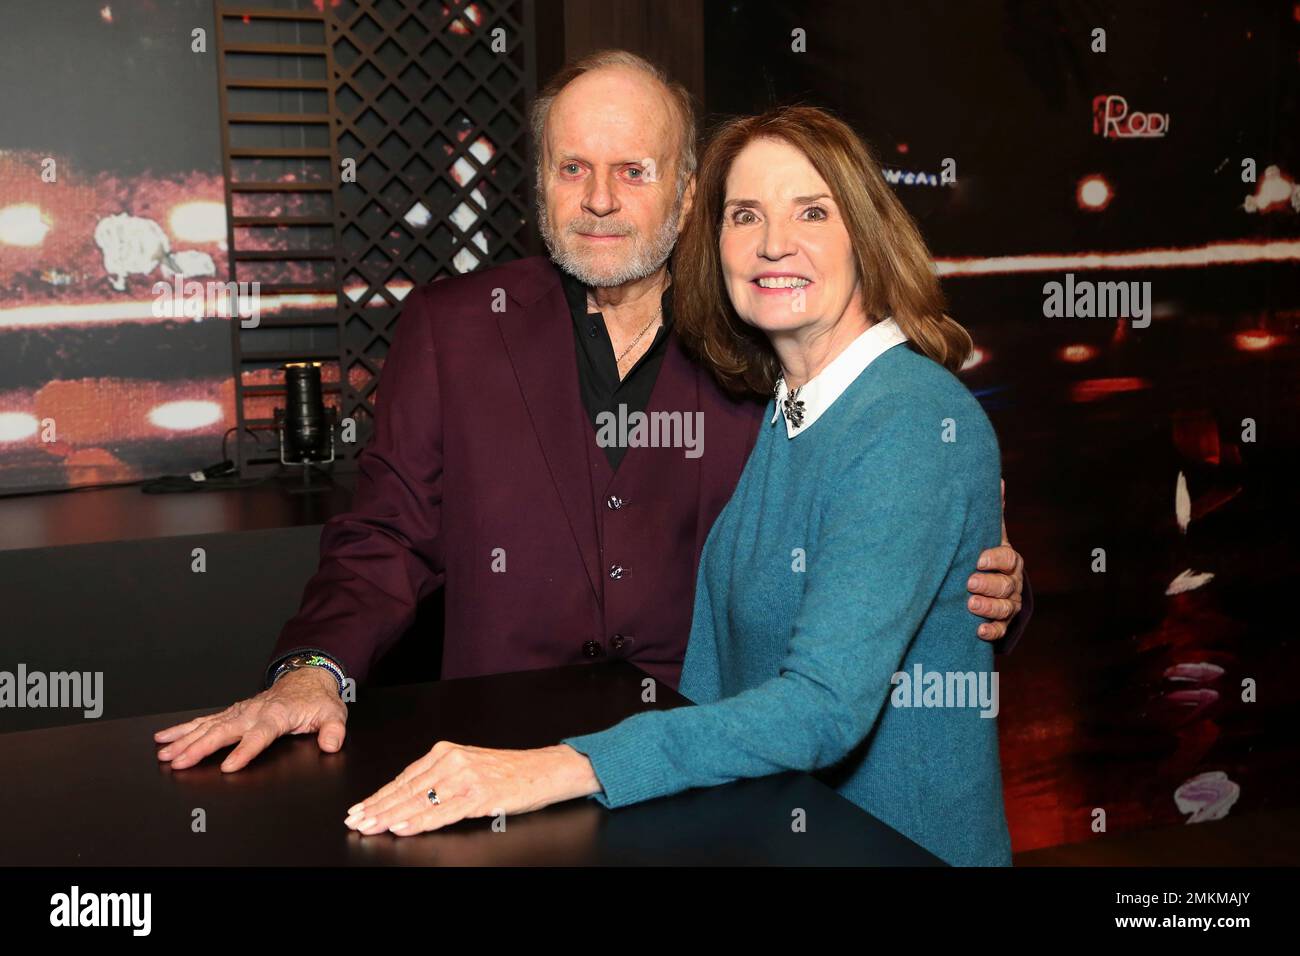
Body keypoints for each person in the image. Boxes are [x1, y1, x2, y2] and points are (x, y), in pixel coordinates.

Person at [153, 51, 1028, 779]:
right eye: (573, 168)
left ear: (687, 193)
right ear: (540, 182)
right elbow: (384, 535)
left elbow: (868, 544)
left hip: (709, 773)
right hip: (491, 763)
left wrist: (981, 589)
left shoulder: (768, 337)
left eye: (632, 171)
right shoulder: (453, 328)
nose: (599, 199)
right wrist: (315, 668)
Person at [343, 105, 1014, 866]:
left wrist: (567, 766)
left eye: (812, 212)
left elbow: (823, 708)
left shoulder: (908, 419)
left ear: (867, 235)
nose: (773, 244)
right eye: (745, 214)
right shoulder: (790, 409)